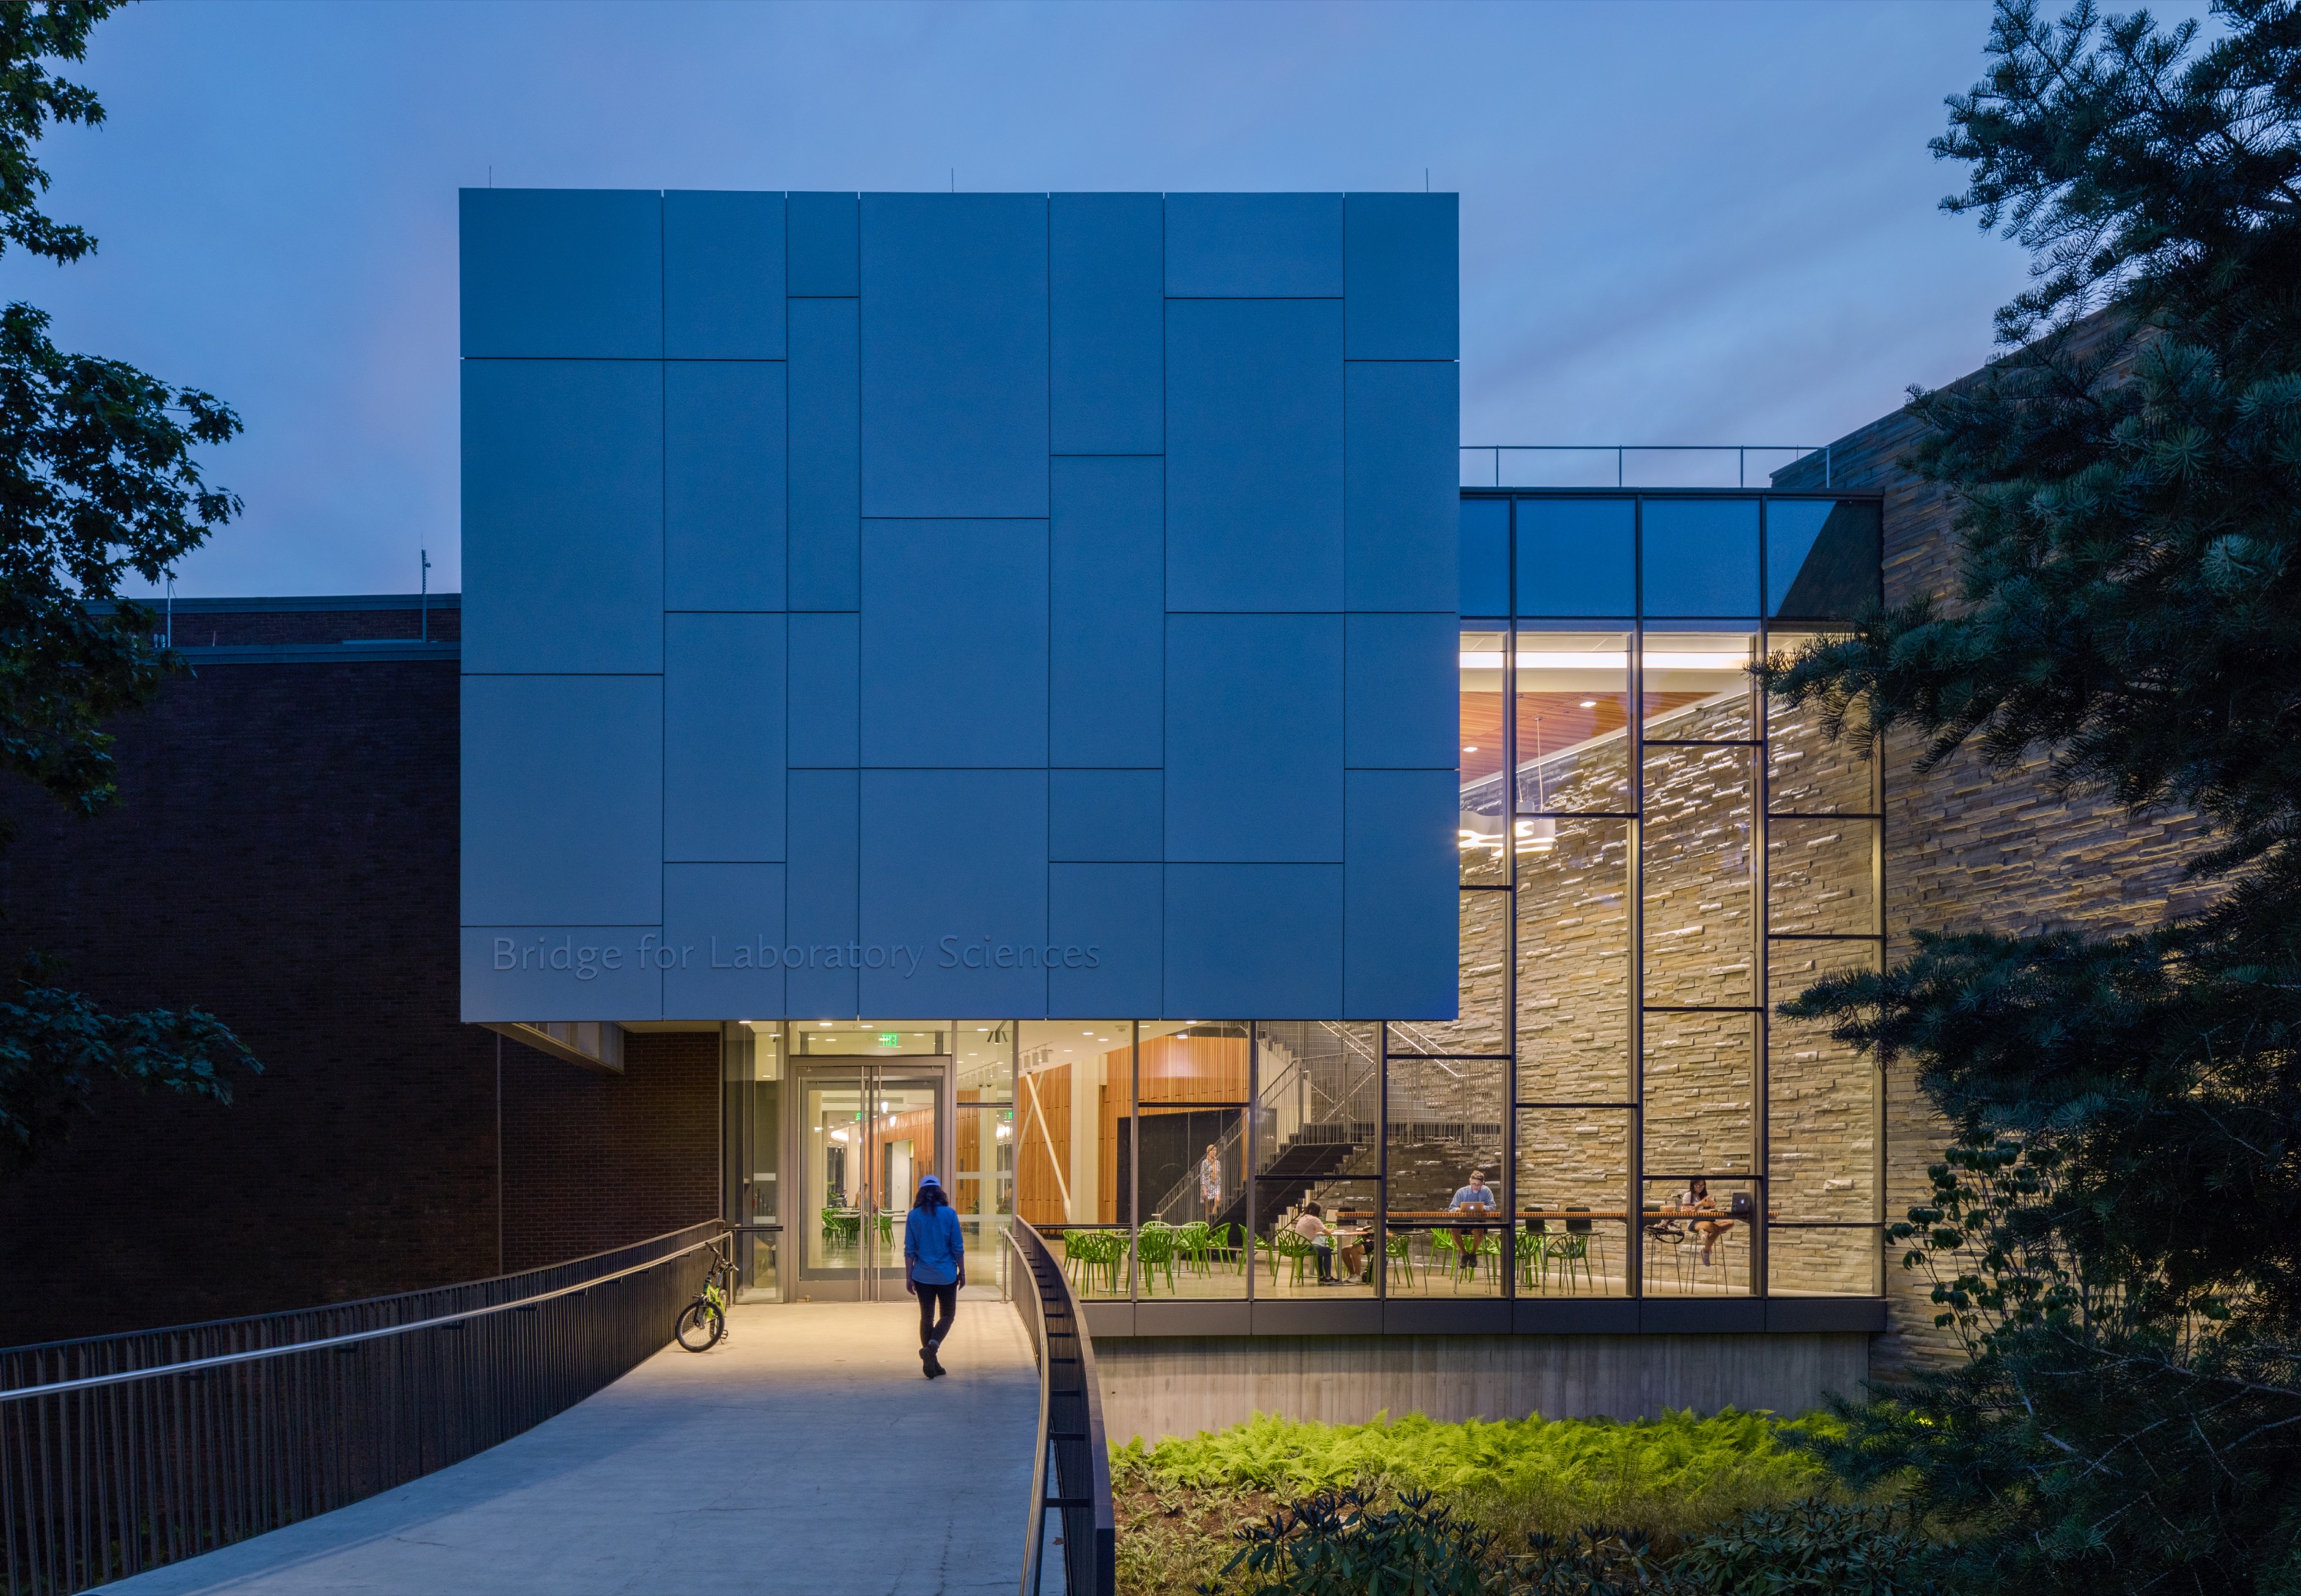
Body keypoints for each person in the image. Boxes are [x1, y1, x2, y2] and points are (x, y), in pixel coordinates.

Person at [904, 1173, 966, 1378]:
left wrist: (909, 1276)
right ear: (940, 1191)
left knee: (927, 1317)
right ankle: (931, 1350)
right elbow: (957, 1247)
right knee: (948, 1315)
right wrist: (962, 1272)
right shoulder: (949, 1214)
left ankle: (931, 1359)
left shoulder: (913, 1216)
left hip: (922, 1275)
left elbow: (909, 1250)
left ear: (920, 1192)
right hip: (946, 1275)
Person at [1448, 1170, 1496, 1277]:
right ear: (1470, 1181)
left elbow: (1492, 1206)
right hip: (1461, 1220)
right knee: (1453, 1229)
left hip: (1476, 1220)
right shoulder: (1461, 1192)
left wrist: (1481, 1208)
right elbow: (1451, 1208)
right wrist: (1459, 1210)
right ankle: (1464, 1254)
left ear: (1483, 1183)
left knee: (1480, 1230)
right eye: (1474, 1184)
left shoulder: (1486, 1191)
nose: (1476, 1187)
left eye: (1479, 1185)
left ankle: (1473, 1254)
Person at [1684, 1177, 1734, 1266]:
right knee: (1715, 1229)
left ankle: (1705, 1233)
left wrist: (1712, 1206)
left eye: (1702, 1185)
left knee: (1730, 1223)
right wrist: (1700, 1204)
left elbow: (1708, 1211)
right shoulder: (1688, 1195)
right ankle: (1706, 1252)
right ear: (1693, 1185)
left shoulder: (1704, 1195)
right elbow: (1685, 1212)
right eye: (1698, 1185)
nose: (1700, 1187)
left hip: (1707, 1219)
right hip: (1694, 1222)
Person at [1291, 1202, 1338, 1283]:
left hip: (1298, 1247)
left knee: (1319, 1248)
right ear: (1316, 1211)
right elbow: (1327, 1232)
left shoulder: (1302, 1218)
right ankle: (1328, 1277)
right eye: (1319, 1211)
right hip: (1307, 1247)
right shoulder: (1315, 1219)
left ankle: (1321, 1276)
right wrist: (1332, 1230)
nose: (1320, 1213)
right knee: (1327, 1251)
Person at [1198, 1143, 1223, 1214]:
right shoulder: (1205, 1162)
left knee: (1217, 1200)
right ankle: (1208, 1222)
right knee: (1207, 1207)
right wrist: (1204, 1189)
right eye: (1212, 1150)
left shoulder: (1217, 1162)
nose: (1213, 1152)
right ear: (1208, 1152)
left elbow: (1219, 1175)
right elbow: (1203, 1175)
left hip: (1216, 1184)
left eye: (1215, 1150)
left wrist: (1220, 1186)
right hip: (1207, 1185)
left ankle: (1213, 1217)